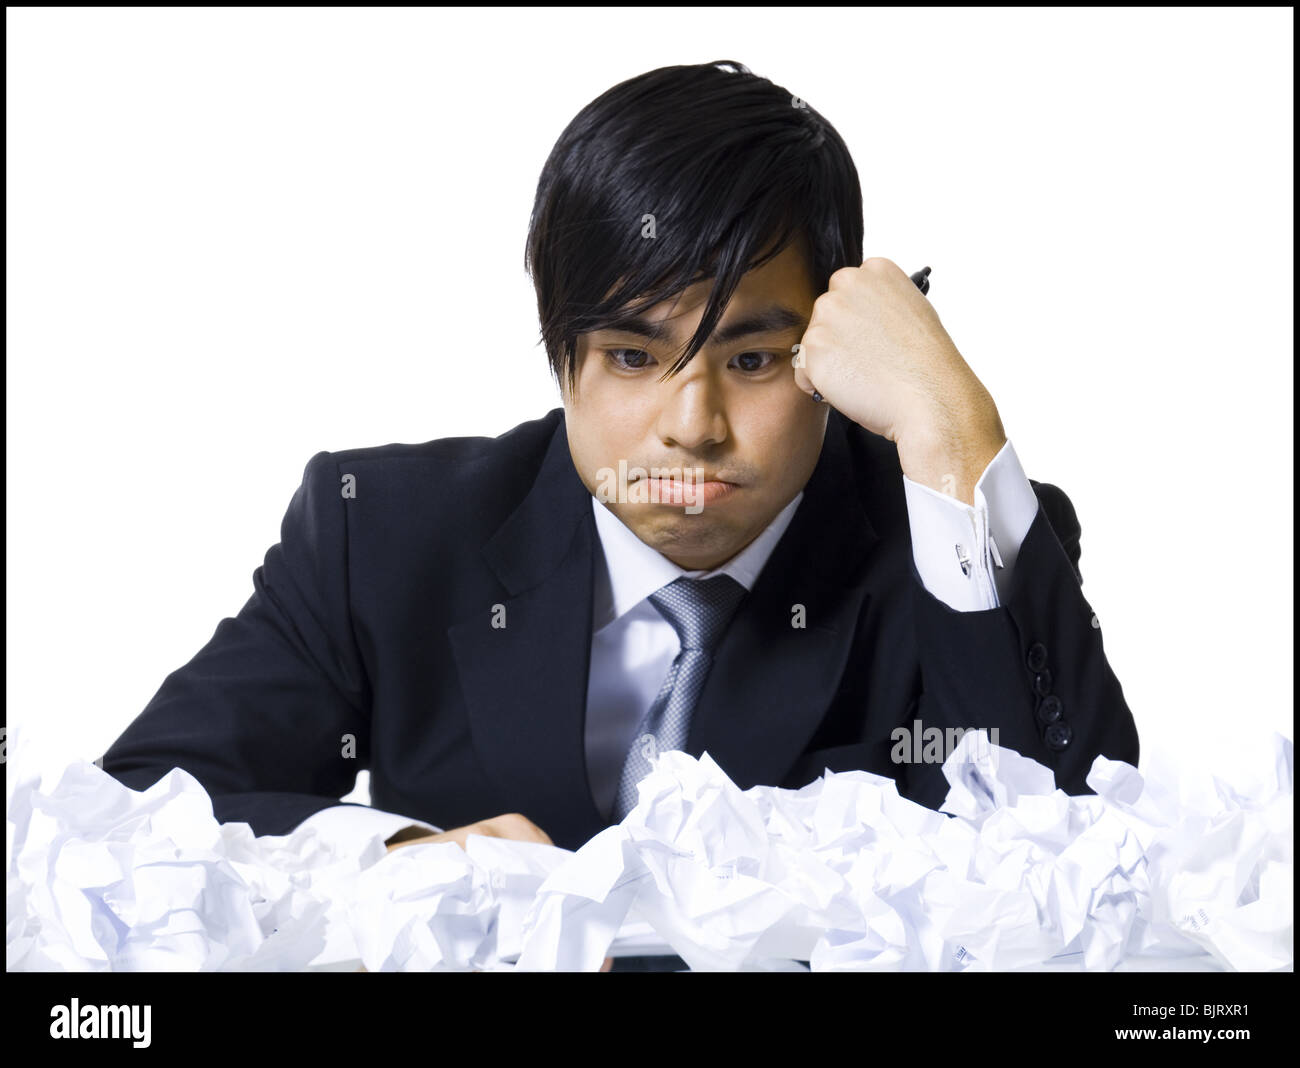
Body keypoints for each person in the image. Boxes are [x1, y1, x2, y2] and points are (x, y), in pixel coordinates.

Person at [102, 60, 1137, 904]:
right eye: (635, 360)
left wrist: (952, 430)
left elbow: (1077, 876)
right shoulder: (381, 536)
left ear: (828, 351)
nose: (692, 429)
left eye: (751, 359)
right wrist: (400, 860)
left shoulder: (946, 539)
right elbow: (138, 812)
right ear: (563, 361)